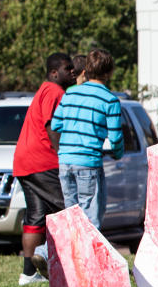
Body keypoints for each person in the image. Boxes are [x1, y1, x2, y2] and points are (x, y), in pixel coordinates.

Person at [13, 53, 76, 285]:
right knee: (67, 210)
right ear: (53, 73)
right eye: (67, 68)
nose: (72, 71)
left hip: (24, 162)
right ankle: (60, 262)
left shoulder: (44, 90)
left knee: (36, 216)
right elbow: (52, 126)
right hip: (43, 161)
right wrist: (64, 156)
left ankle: (29, 272)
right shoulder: (54, 91)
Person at [51, 48, 122, 229]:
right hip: (88, 162)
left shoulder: (71, 93)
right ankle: (83, 257)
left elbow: (56, 125)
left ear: (86, 70)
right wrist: (117, 153)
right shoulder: (109, 100)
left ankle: (54, 254)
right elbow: (115, 138)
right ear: (109, 72)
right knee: (90, 219)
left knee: (71, 216)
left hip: (65, 160)